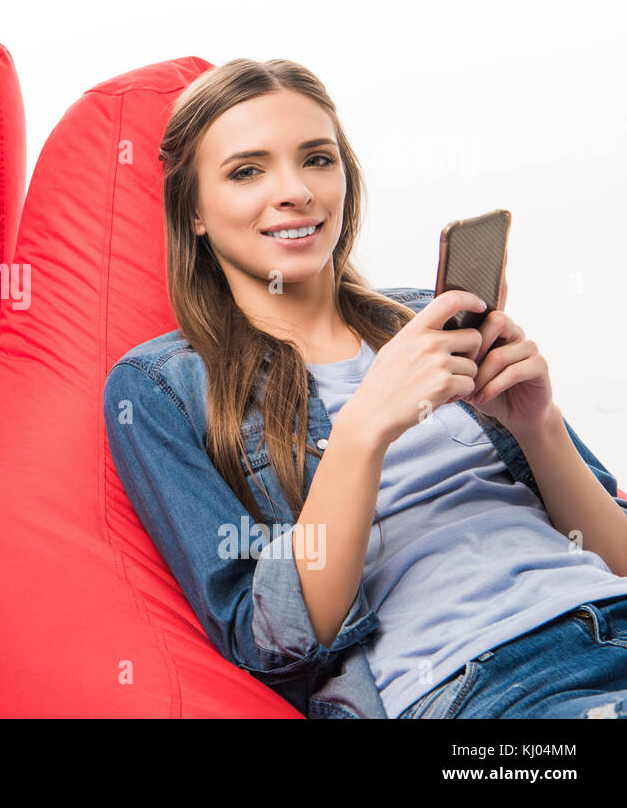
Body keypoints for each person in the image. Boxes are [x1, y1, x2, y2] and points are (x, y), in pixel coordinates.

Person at [103, 58, 627, 719]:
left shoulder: (422, 314)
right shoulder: (162, 386)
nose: (295, 190)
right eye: (247, 170)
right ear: (195, 211)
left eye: (317, 159)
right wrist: (363, 427)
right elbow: (272, 638)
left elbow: (616, 554)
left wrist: (537, 424)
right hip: (482, 683)